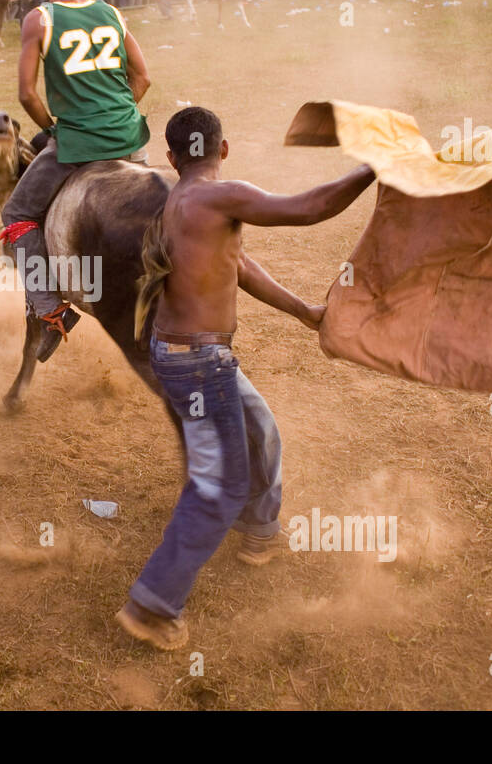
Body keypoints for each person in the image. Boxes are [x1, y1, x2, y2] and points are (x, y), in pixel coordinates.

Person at [115, 105, 376, 650]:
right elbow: (307, 209)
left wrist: (302, 309)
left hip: (189, 356)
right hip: (199, 364)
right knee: (219, 486)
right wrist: (371, 169)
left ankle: (260, 529)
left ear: (170, 157)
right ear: (224, 148)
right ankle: (152, 605)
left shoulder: (179, 200)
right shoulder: (218, 193)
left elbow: (237, 263)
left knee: (260, 427)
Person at [1, 0, 150, 360]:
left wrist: (54, 129)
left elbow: (27, 94)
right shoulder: (113, 12)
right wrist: (117, 117)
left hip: (78, 143)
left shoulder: (39, 19)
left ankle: (50, 310)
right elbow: (144, 77)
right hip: (130, 136)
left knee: (16, 215)